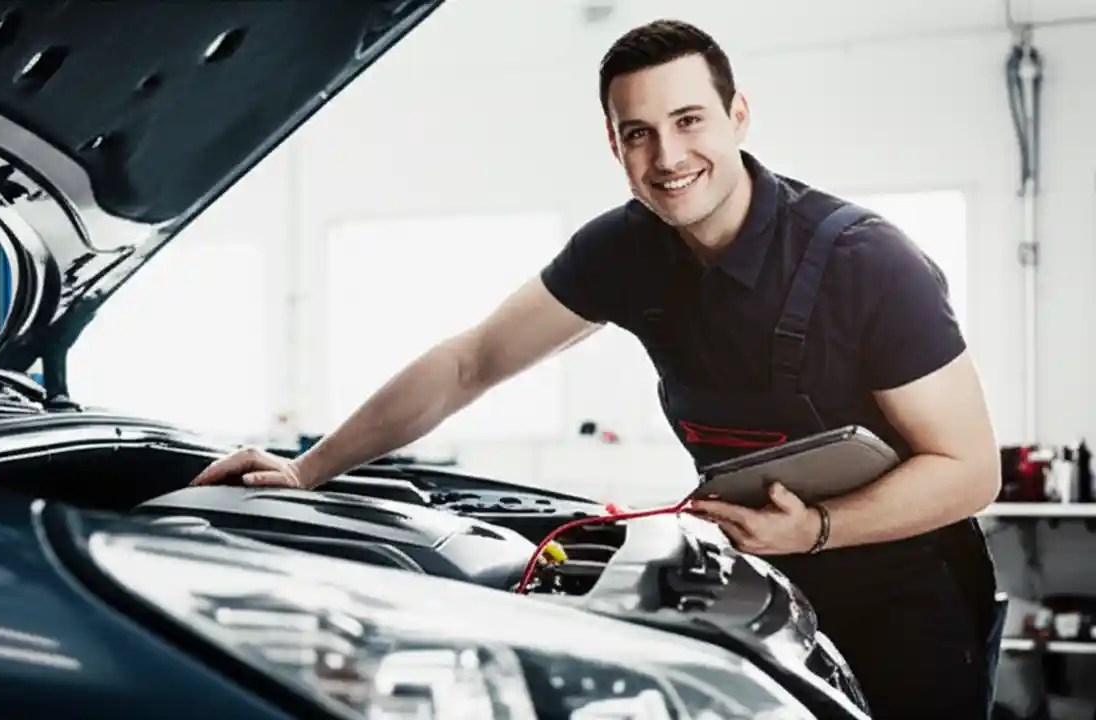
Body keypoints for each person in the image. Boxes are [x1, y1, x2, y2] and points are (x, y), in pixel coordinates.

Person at [191, 18, 1005, 719]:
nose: (667, 156)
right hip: (770, 579)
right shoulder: (625, 251)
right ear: (614, 146)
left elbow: (970, 471)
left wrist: (818, 529)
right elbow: (470, 361)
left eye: (689, 120)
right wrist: (308, 470)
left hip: (910, 595)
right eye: (638, 133)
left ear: (738, 116)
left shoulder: (866, 261)